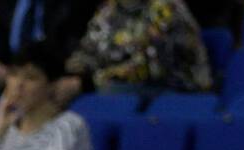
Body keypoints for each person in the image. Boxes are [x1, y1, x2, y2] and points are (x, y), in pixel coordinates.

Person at [59, 0, 212, 97]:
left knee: (109, 93)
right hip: (118, 84)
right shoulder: (108, 9)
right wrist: (76, 70)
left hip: (174, 87)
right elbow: (90, 49)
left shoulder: (166, 8)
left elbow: (150, 68)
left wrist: (89, 82)